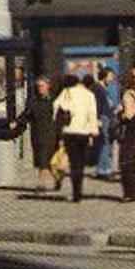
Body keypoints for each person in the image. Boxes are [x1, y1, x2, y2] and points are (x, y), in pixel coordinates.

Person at [52, 74, 100, 202]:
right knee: (80, 163)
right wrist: (93, 131)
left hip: (69, 132)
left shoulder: (66, 92)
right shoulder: (89, 95)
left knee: (73, 163)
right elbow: (92, 114)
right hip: (83, 133)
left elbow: (56, 108)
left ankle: (75, 192)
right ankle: (79, 190)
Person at [13, 76, 62, 192]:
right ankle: (42, 184)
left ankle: (54, 179)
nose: (40, 88)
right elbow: (26, 114)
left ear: (48, 87)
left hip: (52, 134)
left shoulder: (54, 101)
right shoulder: (34, 102)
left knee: (50, 161)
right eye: (38, 86)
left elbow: (61, 117)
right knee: (42, 161)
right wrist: (17, 122)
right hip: (38, 135)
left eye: (42, 86)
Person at [92, 67, 120, 180]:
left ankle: (103, 168)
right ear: (104, 76)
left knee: (106, 142)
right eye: (110, 77)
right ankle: (104, 170)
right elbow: (97, 105)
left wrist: (115, 108)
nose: (112, 79)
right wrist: (97, 118)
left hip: (107, 116)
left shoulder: (103, 88)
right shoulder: (98, 89)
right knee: (105, 142)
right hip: (103, 118)